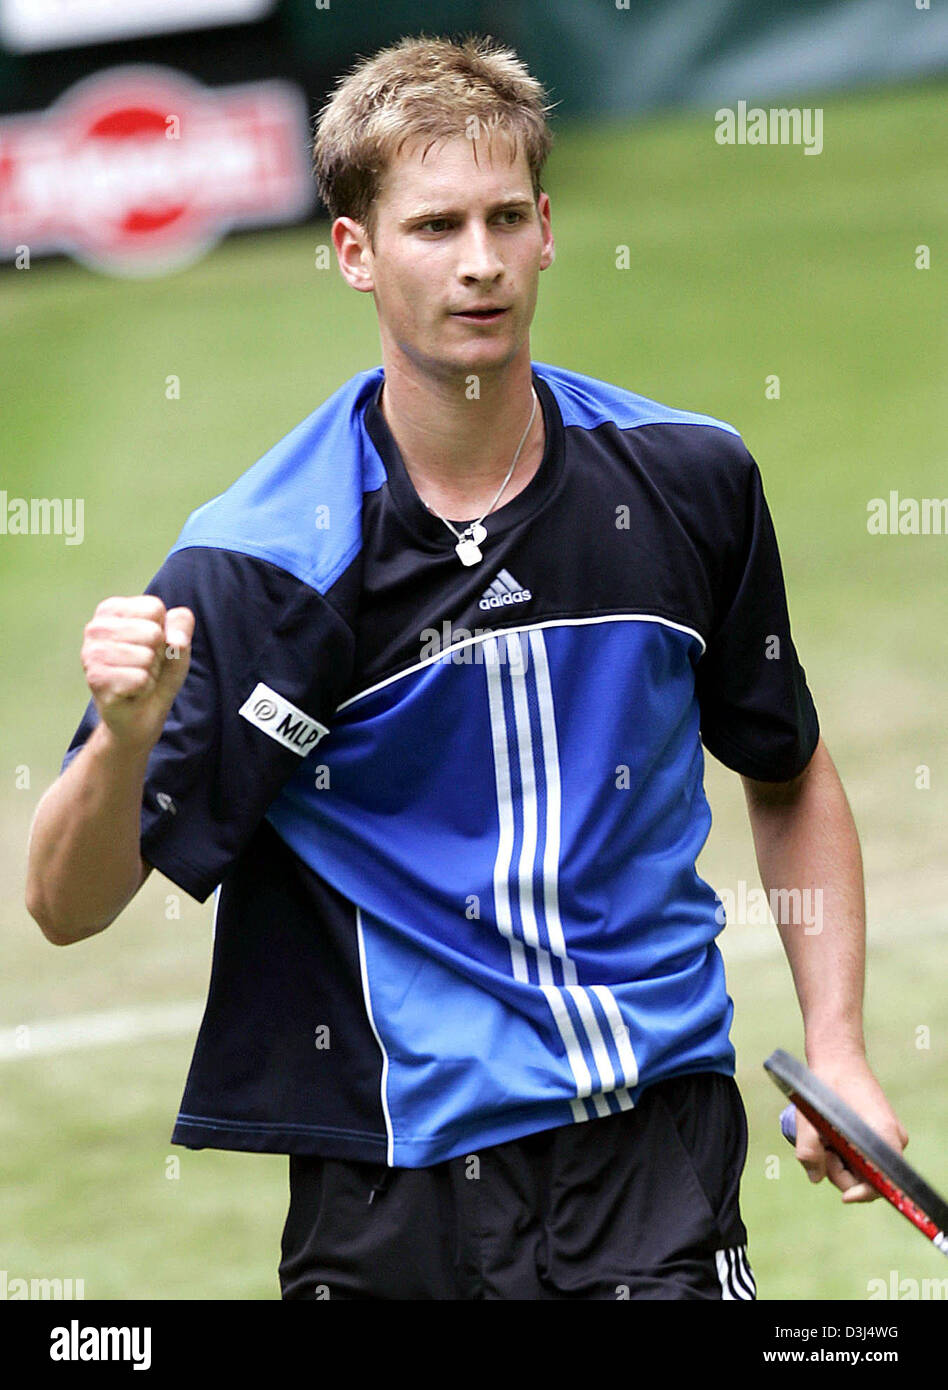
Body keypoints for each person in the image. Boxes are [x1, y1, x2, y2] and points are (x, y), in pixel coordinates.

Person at [25, 33, 907, 1301]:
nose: (480, 262)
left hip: (652, 1146)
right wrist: (123, 735)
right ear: (354, 251)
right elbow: (67, 904)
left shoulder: (689, 483)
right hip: (391, 1187)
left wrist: (839, 1045)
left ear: (549, 229)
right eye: (435, 225)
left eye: (505, 218)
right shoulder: (261, 568)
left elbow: (787, 766)